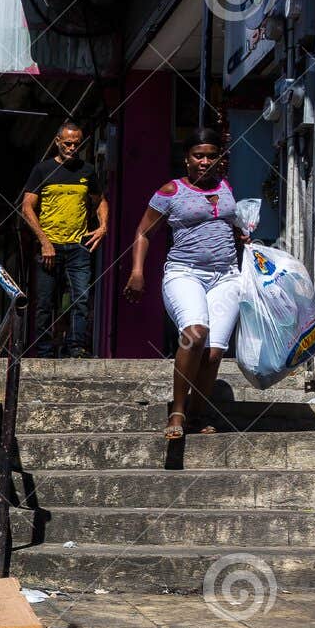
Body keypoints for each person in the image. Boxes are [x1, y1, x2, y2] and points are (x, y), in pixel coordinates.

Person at [124, 127, 246, 440]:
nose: (205, 161)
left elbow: (227, 224)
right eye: (198, 156)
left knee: (214, 354)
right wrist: (137, 272)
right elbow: (143, 232)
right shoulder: (170, 191)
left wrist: (241, 234)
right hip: (185, 272)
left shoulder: (226, 186)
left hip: (227, 275)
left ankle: (197, 413)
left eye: (211, 156)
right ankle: (177, 410)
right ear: (187, 158)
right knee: (195, 333)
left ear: (220, 159)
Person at [20, 120, 108, 357]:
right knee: (45, 303)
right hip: (50, 246)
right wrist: (44, 242)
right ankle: (44, 351)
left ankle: (77, 347)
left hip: (78, 245)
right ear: (58, 142)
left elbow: (99, 200)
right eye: (67, 143)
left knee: (80, 299)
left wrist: (103, 227)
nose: (71, 148)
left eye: (76, 144)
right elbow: (27, 207)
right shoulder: (42, 170)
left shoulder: (87, 171)